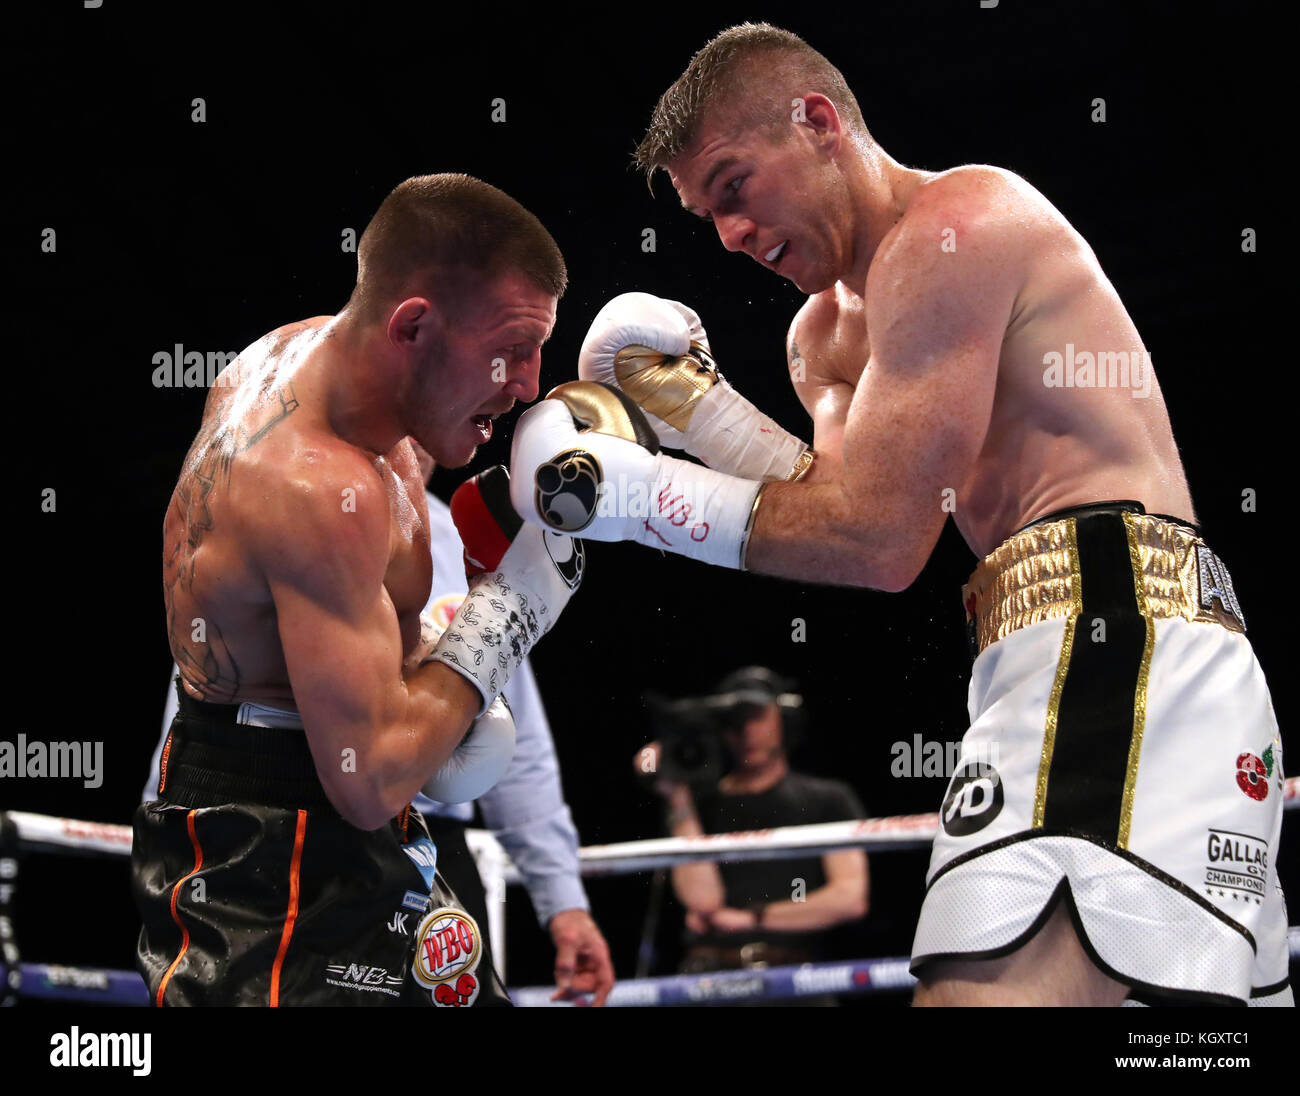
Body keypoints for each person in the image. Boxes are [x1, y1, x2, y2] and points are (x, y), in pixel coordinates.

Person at [507, 25, 1290, 1005]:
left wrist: (626, 498)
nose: (731, 235)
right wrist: (693, 412)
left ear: (818, 122)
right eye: (710, 216)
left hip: (1114, 643)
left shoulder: (961, 221)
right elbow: (847, 521)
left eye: (735, 186)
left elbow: (876, 536)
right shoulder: (821, 339)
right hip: (1060, 654)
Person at [137, 173, 584, 1006]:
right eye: (510, 349)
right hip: (269, 863)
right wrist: (503, 616)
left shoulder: (340, 378)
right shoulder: (310, 489)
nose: (527, 384)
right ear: (412, 325)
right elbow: (370, 777)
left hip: (351, 819)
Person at [144, 440, 615, 1005]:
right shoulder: (281, 514)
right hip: (288, 829)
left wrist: (564, 903)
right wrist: (175, 861)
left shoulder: (474, 542)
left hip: (434, 847)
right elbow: (203, 704)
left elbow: (515, 744)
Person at [640, 668, 867, 981]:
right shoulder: (699, 806)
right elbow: (703, 901)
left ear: (784, 721)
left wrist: (751, 919)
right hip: (708, 980)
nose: (746, 731)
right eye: (734, 721)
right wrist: (676, 795)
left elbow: (850, 897)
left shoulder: (826, 798)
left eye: (757, 717)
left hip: (792, 982)